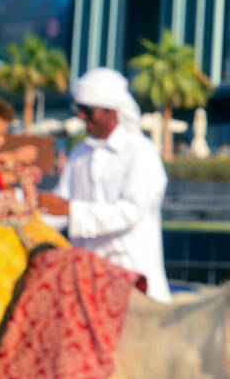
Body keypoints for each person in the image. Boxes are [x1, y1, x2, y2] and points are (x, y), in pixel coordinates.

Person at [37, 68, 171, 302]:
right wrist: (29, 210)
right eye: (79, 110)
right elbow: (60, 207)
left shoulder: (140, 151)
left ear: (111, 111)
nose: (81, 116)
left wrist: (71, 210)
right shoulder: (80, 152)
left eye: (88, 110)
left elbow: (131, 212)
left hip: (130, 274)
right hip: (85, 276)